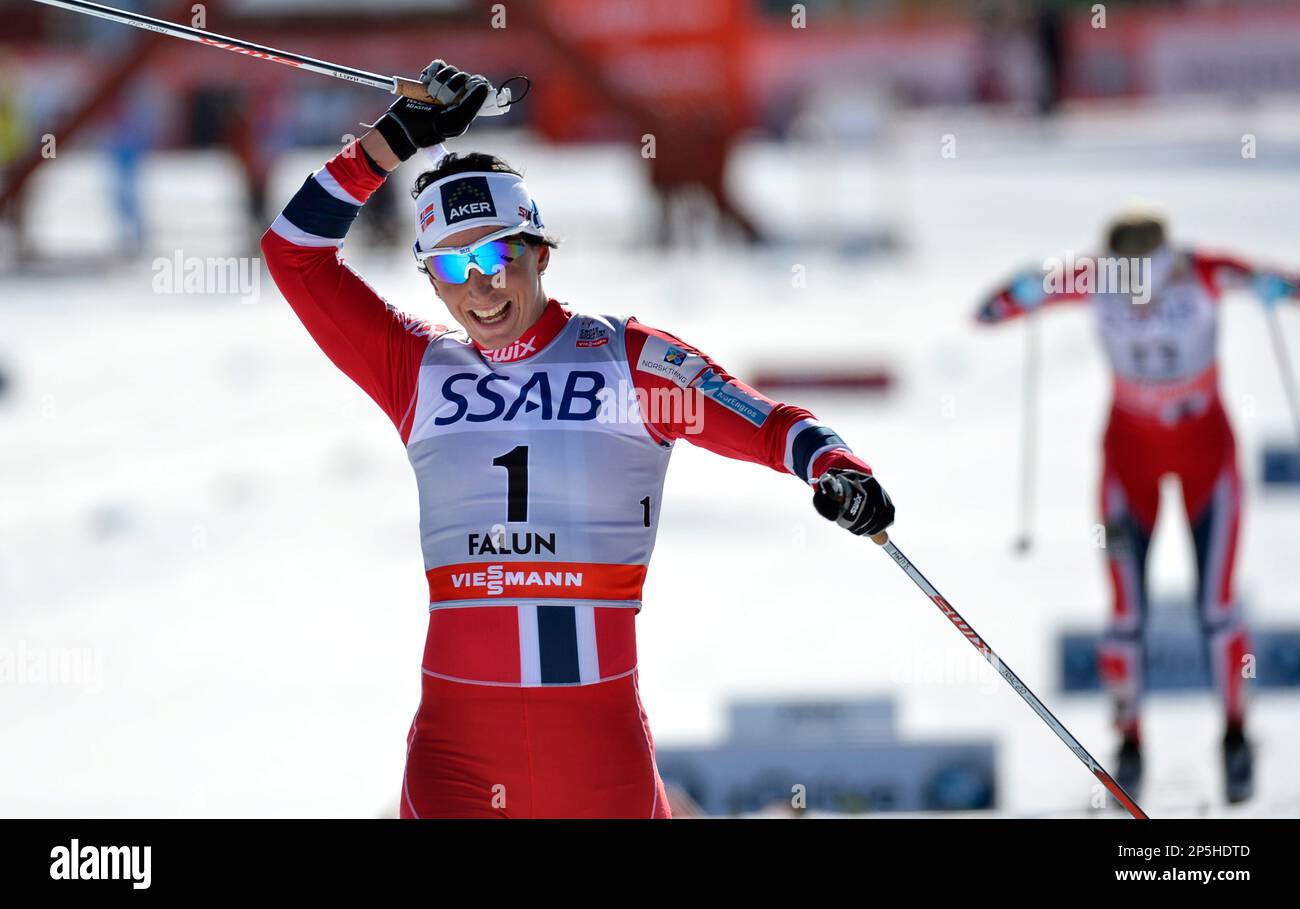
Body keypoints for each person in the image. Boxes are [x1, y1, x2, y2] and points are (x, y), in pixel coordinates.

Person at [260, 60, 894, 818]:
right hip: (456, 757)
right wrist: (391, 142)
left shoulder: (625, 361)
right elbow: (291, 254)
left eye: (498, 255)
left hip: (596, 759)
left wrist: (832, 466)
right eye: (454, 267)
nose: (481, 287)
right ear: (431, 279)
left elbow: (765, 422)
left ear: (540, 253)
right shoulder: (415, 369)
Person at [975, 209, 1300, 805]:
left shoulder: (1200, 272)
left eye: (1147, 282)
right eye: (1126, 285)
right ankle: (1129, 744)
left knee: (1218, 605)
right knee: (1126, 612)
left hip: (1208, 456)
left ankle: (1234, 739)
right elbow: (998, 308)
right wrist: (1018, 293)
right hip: (1131, 463)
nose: (1138, 300)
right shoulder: (1098, 278)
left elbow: (1270, 280)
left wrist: (1276, 287)